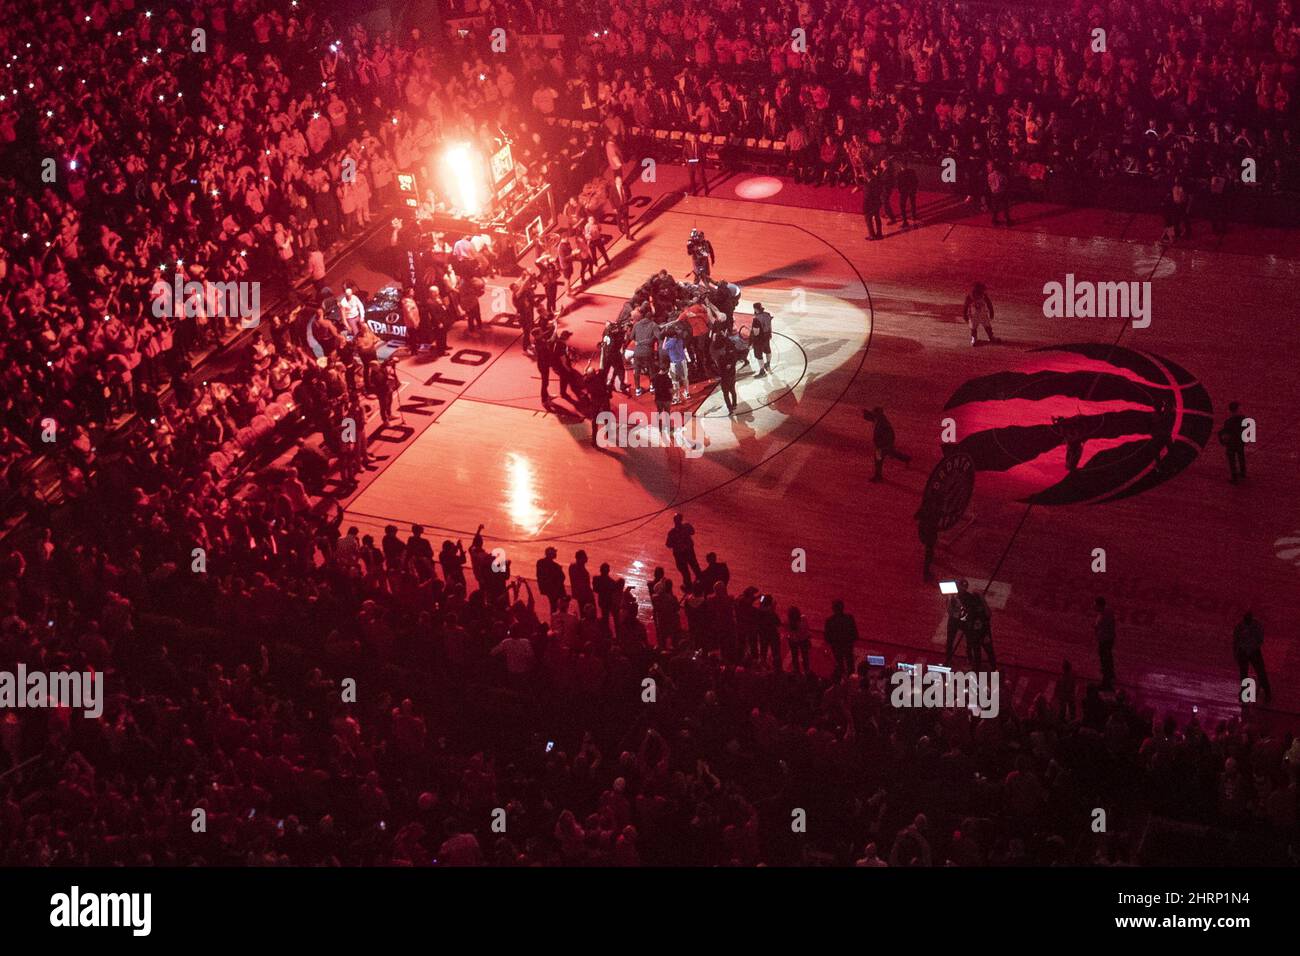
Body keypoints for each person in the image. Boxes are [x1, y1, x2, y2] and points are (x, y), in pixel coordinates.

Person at [863, 407, 910, 481]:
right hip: (882, 444)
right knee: (894, 454)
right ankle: (906, 458)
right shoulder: (878, 419)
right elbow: (870, 418)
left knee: (878, 459)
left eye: (875, 412)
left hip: (883, 445)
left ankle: (878, 476)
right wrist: (866, 413)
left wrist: (885, 445)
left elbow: (890, 435)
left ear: (878, 413)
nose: (874, 414)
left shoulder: (883, 423)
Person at [1232, 611, 1270, 704]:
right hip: (1248, 652)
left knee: (1259, 672)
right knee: (1249, 673)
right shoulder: (1247, 626)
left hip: (1250, 651)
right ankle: (1265, 692)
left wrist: (1238, 651)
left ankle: (1267, 692)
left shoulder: (1243, 626)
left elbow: (1236, 640)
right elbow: (1236, 639)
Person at [824, 598, 859, 681]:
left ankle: (841, 680)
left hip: (836, 647)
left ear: (833, 609)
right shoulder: (849, 618)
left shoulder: (829, 621)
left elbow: (827, 637)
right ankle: (851, 679)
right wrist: (850, 642)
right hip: (847, 646)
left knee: (840, 665)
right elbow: (855, 633)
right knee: (850, 664)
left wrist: (833, 643)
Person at [665, 513, 703, 587]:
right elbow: (692, 531)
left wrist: (676, 543)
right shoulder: (685, 527)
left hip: (681, 554)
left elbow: (668, 544)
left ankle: (691, 585)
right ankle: (699, 583)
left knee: (686, 572)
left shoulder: (672, 532)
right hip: (686, 553)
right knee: (693, 568)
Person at [630, 309, 659, 396]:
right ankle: (652, 387)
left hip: (638, 351)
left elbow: (632, 337)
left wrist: (639, 341)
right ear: (651, 318)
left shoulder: (636, 324)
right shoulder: (654, 325)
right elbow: (658, 336)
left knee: (637, 370)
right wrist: (651, 339)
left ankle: (638, 389)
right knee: (651, 369)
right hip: (648, 351)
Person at [710, 329, 738, 413]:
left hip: (724, 376)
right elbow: (734, 358)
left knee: (726, 393)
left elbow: (718, 369)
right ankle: (734, 404)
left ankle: (730, 408)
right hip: (731, 374)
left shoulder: (716, 352)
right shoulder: (730, 349)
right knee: (732, 390)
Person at [1219, 401, 1247, 484]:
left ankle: (1234, 477)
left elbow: (1226, 434)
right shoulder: (1243, 419)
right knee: (1241, 456)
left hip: (1232, 443)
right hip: (1240, 442)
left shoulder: (1228, 422)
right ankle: (1243, 472)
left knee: (1232, 459)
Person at [914, 498, 940, 582]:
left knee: (929, 550)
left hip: (925, 531)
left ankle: (926, 572)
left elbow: (916, 516)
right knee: (929, 552)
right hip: (929, 532)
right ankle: (926, 574)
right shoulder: (935, 509)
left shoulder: (926, 507)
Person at [536, 546, 567, 615]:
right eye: (554, 553)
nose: (555, 554)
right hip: (554, 590)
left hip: (546, 588)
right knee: (556, 606)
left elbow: (539, 575)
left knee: (553, 606)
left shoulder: (540, 562)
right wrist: (560, 570)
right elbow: (562, 578)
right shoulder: (555, 566)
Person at [1094, 596, 1116, 691]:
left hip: (1104, 640)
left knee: (1104, 660)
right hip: (1108, 639)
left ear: (1099, 605)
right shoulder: (1108, 612)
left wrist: (1097, 630)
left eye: (1095, 604)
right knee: (1108, 658)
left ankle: (1106, 681)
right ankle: (1110, 674)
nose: (1094, 606)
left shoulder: (1103, 616)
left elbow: (1099, 627)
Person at [784, 606, 812, 675]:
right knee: (805, 656)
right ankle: (807, 670)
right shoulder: (803, 619)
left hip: (793, 641)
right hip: (803, 640)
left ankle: (796, 670)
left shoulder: (788, 622)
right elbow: (807, 629)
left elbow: (788, 631)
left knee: (794, 656)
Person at [750, 302, 773, 375]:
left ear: (755, 309)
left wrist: (752, 337)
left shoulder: (756, 319)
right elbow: (770, 325)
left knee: (759, 355)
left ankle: (762, 371)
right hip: (767, 336)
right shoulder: (767, 314)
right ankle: (768, 364)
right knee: (768, 350)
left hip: (759, 339)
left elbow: (756, 333)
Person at [987, 161, 1012, 225]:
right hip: (1002, 192)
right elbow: (1006, 183)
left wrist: (993, 188)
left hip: (994, 193)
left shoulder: (989, 176)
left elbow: (989, 184)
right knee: (1005, 206)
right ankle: (1007, 220)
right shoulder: (1002, 175)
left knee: (995, 207)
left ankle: (994, 220)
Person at [863, 168, 884, 241]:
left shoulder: (869, 185)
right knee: (877, 218)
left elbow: (867, 195)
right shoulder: (876, 181)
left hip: (870, 204)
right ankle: (879, 234)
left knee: (868, 219)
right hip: (877, 202)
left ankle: (872, 235)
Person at [897, 159, 919, 227]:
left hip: (905, 191)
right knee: (911, 204)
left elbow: (899, 183)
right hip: (909, 191)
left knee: (903, 205)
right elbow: (916, 181)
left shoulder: (900, 173)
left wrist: (900, 190)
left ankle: (905, 221)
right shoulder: (911, 171)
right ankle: (913, 216)